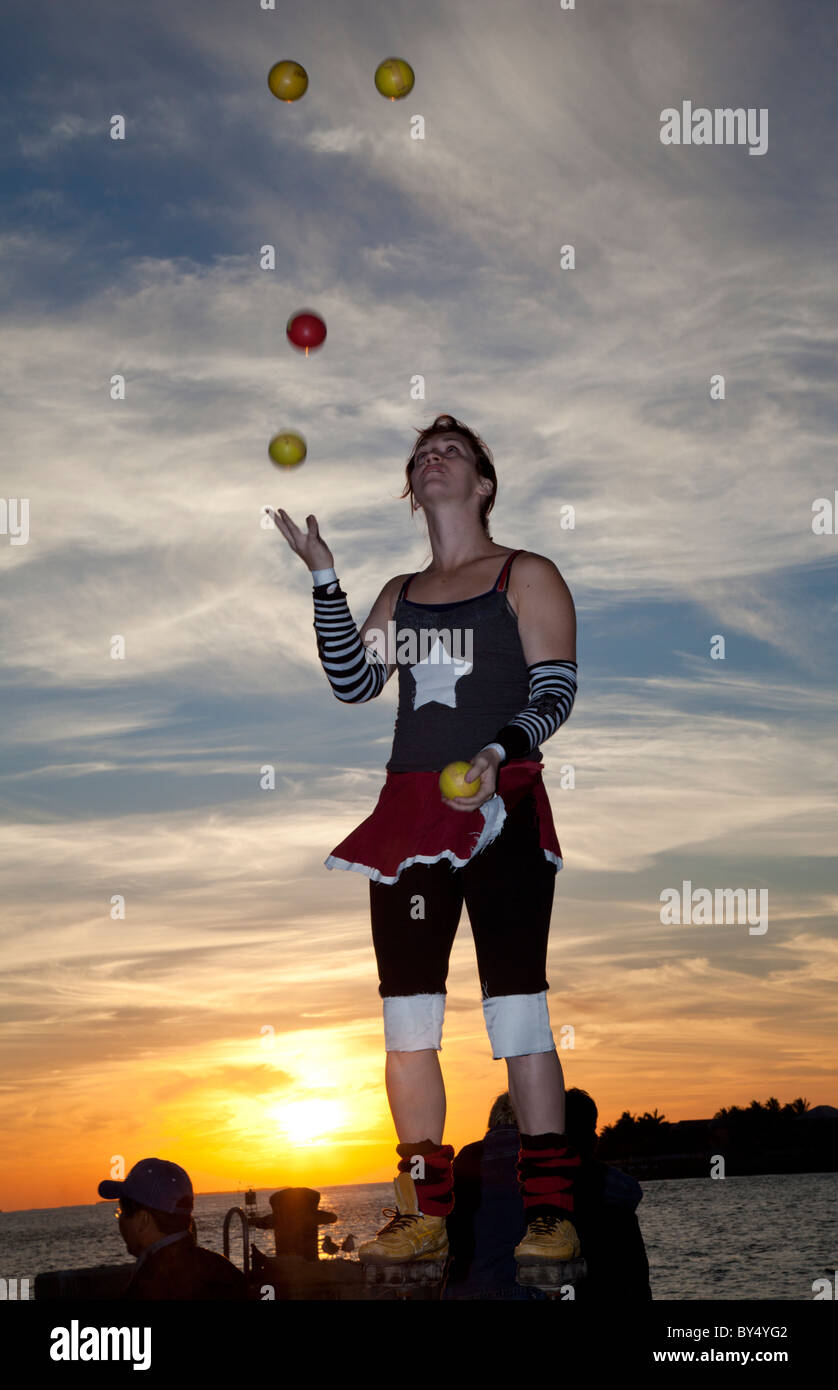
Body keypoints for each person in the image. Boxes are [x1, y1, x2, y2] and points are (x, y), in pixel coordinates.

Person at [269, 413, 580, 1274]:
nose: (434, 458)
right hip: (409, 817)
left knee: (518, 1014)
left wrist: (494, 751)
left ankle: (552, 1214)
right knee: (407, 1021)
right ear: (415, 490)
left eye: (454, 452)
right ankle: (424, 1213)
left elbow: (555, 689)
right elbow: (355, 683)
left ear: (482, 483)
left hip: (501, 800)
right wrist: (327, 580)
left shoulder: (527, 575)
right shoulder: (400, 594)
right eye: (423, 455)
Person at [443, 1088, 652, 1300]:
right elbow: (627, 1191)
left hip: (468, 1288)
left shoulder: (467, 1159)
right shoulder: (547, 1159)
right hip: (534, 1287)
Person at [97, 1157, 249, 1300]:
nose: (121, 1221)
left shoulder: (150, 1284)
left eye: (121, 1212)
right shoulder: (222, 1268)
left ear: (143, 1220)